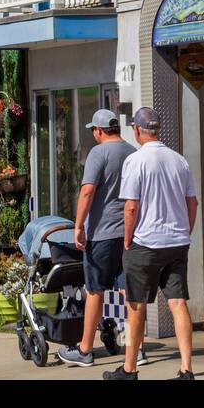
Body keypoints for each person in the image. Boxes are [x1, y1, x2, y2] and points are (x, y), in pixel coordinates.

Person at [104, 107, 198, 381]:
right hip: (177, 243)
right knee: (178, 303)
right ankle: (186, 369)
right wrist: (185, 229)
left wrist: (126, 238)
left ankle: (129, 369)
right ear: (158, 130)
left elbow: (131, 206)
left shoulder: (136, 161)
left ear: (136, 130)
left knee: (136, 305)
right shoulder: (179, 160)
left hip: (145, 243)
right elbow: (191, 201)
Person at [58, 109, 141, 367]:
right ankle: (135, 348)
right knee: (130, 292)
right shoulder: (133, 152)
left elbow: (87, 191)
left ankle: (84, 350)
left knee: (95, 290)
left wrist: (78, 225)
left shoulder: (98, 152)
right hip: (128, 232)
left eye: (93, 129)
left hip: (102, 233)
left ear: (99, 130)